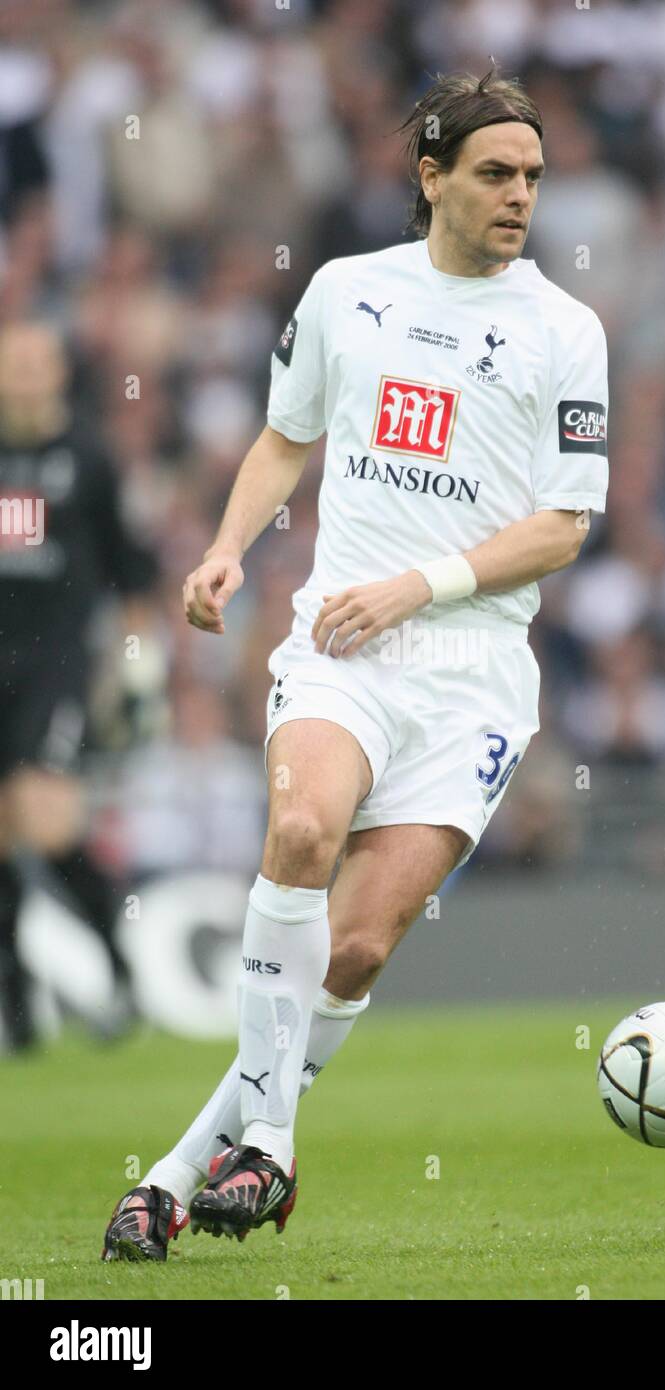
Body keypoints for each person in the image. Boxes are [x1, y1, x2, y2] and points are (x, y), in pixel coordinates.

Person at [101, 68, 610, 1263]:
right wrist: (226, 550)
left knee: (359, 947)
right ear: (428, 175)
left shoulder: (563, 329)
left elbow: (563, 525)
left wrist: (420, 585)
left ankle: (176, 1174)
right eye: (493, 172)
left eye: (532, 176)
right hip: (341, 639)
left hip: (472, 668)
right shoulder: (346, 292)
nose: (518, 196)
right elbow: (287, 437)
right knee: (298, 835)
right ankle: (270, 1141)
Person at [0, 320, 156, 1052]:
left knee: (44, 816)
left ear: (59, 374)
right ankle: (20, 1004)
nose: (26, 378)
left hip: (55, 665)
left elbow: (131, 569)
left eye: (37, 365)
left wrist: (137, 664)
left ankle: (120, 970)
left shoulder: (88, 458)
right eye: (14, 366)